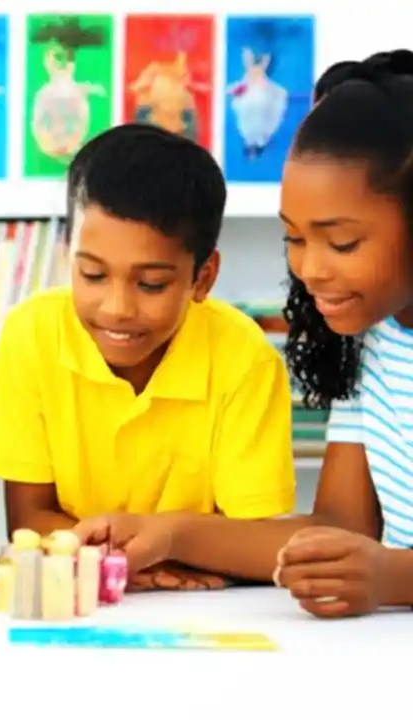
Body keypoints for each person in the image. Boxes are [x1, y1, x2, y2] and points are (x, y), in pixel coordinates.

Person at [88, 51, 413, 618]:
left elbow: (376, 561)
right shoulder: (373, 339)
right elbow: (341, 527)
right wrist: (169, 535)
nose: (311, 269)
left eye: (342, 243)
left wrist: (392, 576)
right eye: (295, 239)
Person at [0, 123, 296, 590]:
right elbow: (29, 521)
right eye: (92, 274)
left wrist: (164, 545)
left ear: (203, 278)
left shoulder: (246, 359)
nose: (117, 309)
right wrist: (126, 566)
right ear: (69, 255)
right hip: (91, 595)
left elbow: (257, 541)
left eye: (151, 284)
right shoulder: (32, 334)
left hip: (198, 607)